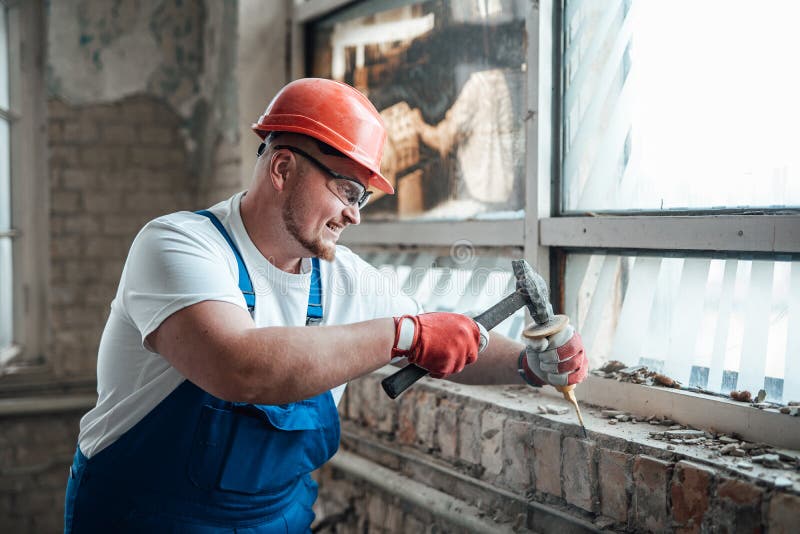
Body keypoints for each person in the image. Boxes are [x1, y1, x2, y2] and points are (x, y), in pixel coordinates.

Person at [63, 78, 587, 533]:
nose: (353, 215)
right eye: (346, 189)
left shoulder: (342, 280)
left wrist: (527, 363)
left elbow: (441, 337)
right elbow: (239, 366)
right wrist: (405, 334)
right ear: (283, 168)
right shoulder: (179, 245)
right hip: (142, 520)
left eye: (361, 198)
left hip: (278, 522)